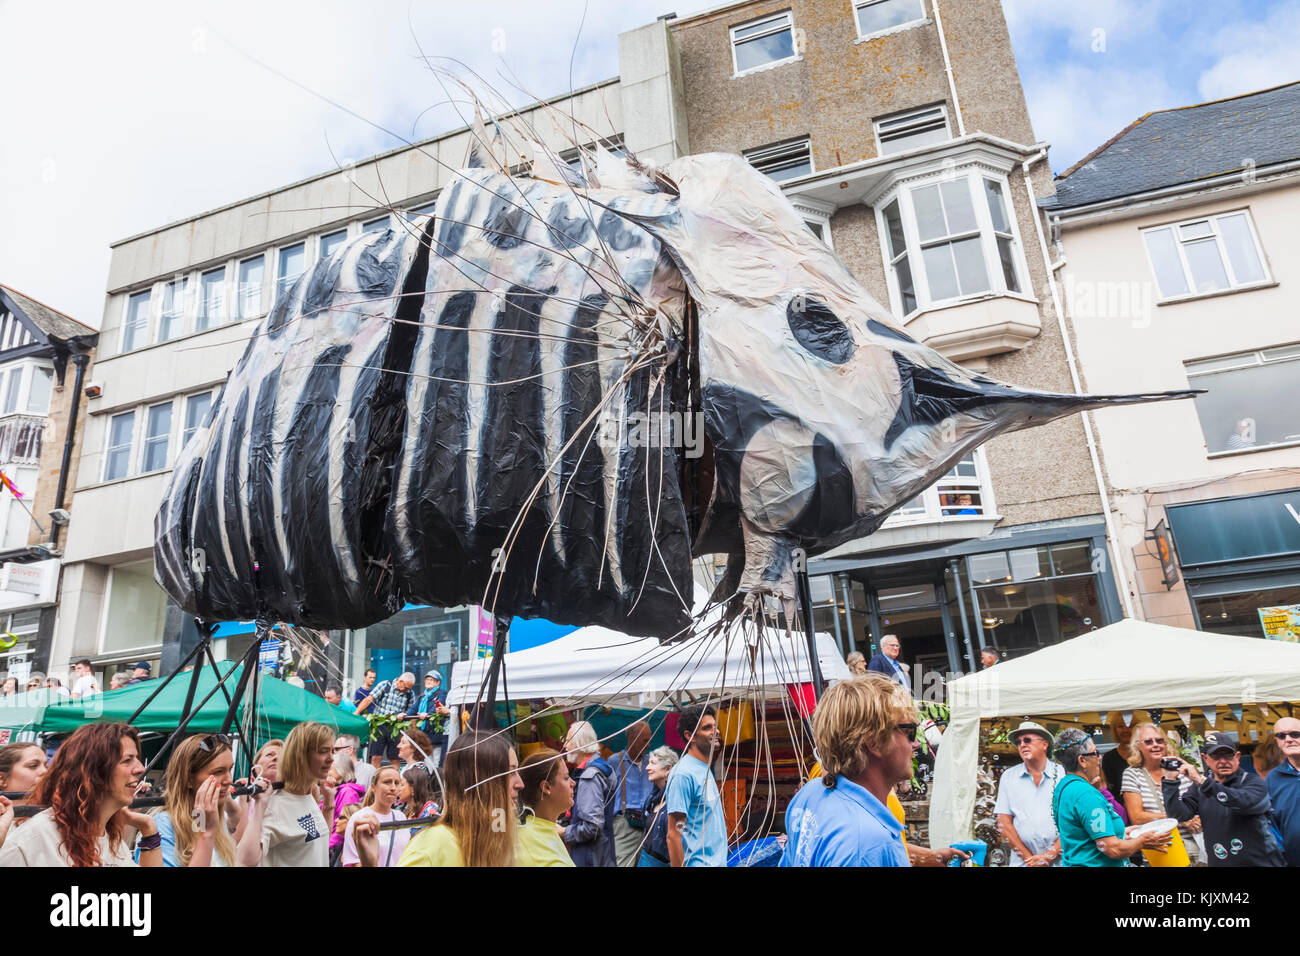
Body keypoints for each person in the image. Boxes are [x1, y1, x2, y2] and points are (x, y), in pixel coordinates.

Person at [783, 674, 923, 867]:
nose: (916, 743)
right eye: (910, 732)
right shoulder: (867, 843)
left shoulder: (811, 793)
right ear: (873, 742)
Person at [0, 722, 162, 867]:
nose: (141, 768)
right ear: (92, 771)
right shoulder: (31, 842)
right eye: (127, 760)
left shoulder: (110, 839)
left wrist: (149, 830)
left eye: (137, 759)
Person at [386, 731, 522, 866]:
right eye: (510, 772)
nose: (520, 784)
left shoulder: (498, 832)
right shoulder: (432, 846)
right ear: (478, 780)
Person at [1051, 728, 1170, 867]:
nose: (1100, 758)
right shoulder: (1086, 794)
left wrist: (1121, 833)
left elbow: (1082, 835)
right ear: (1082, 760)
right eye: (1095, 753)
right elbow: (1112, 849)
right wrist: (1142, 841)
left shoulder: (1064, 787)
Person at [1163, 731, 1285, 866]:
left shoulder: (1252, 782)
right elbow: (1179, 815)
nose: (1223, 761)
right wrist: (1170, 781)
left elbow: (1241, 802)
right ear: (1205, 759)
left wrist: (1201, 781)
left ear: (1237, 757)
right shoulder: (1199, 788)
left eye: (1228, 755)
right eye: (1216, 756)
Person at [237, 722, 334, 867]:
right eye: (323, 751)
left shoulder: (307, 795)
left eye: (333, 751)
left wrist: (328, 802)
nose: (331, 758)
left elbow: (319, 840)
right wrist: (259, 807)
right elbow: (244, 861)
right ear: (301, 756)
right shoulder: (277, 805)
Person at [149, 733, 237, 866]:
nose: (229, 779)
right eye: (218, 771)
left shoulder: (207, 818)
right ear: (189, 779)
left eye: (230, 769)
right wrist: (207, 835)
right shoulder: (163, 825)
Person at [1121, 723, 1200, 862]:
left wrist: (1198, 818)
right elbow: (1137, 817)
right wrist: (1181, 820)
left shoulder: (1181, 769)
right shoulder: (1132, 774)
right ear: (1138, 746)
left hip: (1194, 848)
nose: (1155, 745)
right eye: (1148, 742)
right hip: (1160, 848)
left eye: (1159, 740)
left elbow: (1199, 804)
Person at [994, 721, 1065, 867]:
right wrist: (1030, 860)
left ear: (1044, 744)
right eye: (1018, 742)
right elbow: (1004, 823)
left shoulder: (1063, 774)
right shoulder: (1009, 776)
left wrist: (1047, 857)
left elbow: (1073, 823)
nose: (1022, 744)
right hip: (1023, 863)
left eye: (1027, 740)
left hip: (1060, 861)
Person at [667, 704, 728, 867]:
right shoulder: (683, 774)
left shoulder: (704, 769)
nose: (716, 732)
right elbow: (673, 835)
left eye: (715, 727)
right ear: (690, 736)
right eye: (707, 728)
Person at [563, 720, 616, 866]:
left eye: (568, 741)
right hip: (602, 855)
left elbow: (592, 827)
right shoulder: (602, 766)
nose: (564, 746)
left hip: (590, 857)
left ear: (580, 745)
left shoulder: (590, 776)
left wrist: (563, 831)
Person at [516, 749, 576, 867]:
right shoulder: (530, 841)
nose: (573, 783)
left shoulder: (544, 826)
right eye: (566, 777)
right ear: (546, 787)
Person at [342, 765, 411, 866]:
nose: (393, 788)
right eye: (387, 782)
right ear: (373, 787)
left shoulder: (401, 817)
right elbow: (353, 861)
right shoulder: (360, 818)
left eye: (397, 783)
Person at [608, 720, 653, 866]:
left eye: (649, 741)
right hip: (624, 824)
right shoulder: (615, 761)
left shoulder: (650, 762)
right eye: (645, 741)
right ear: (631, 739)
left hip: (648, 825)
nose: (649, 745)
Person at [354, 672, 416, 769]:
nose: (407, 690)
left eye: (409, 688)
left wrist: (413, 732)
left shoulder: (410, 694)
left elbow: (411, 713)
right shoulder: (385, 685)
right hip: (380, 725)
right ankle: (375, 780)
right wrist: (356, 713)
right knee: (375, 757)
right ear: (400, 681)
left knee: (395, 758)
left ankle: (395, 780)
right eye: (406, 688)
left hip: (395, 727)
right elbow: (369, 699)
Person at [637, 745, 679, 867]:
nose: (647, 767)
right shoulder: (651, 800)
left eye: (652, 763)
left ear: (668, 769)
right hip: (646, 860)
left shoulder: (675, 801)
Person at [1266, 716, 1300, 866]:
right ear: (1277, 742)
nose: (1288, 739)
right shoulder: (1273, 778)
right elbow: (1269, 820)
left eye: (1295, 734)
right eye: (1281, 735)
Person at [327, 751, 366, 866]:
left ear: (341, 770)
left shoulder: (347, 792)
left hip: (336, 849)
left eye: (331, 768)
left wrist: (326, 846)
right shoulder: (337, 789)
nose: (327, 771)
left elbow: (345, 825)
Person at [407, 671, 450, 766]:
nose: (428, 681)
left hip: (436, 735)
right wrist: (404, 714)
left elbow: (438, 708)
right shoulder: (423, 696)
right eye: (427, 679)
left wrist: (427, 714)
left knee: (437, 762)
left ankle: (436, 780)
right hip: (425, 735)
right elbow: (413, 709)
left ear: (438, 683)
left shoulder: (442, 694)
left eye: (432, 680)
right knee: (427, 763)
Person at [1100, 713, 1134, 803]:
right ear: (1114, 730)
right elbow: (1108, 788)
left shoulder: (1144, 754)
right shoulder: (1108, 757)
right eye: (1120, 726)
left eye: (1129, 726)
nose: (1125, 730)